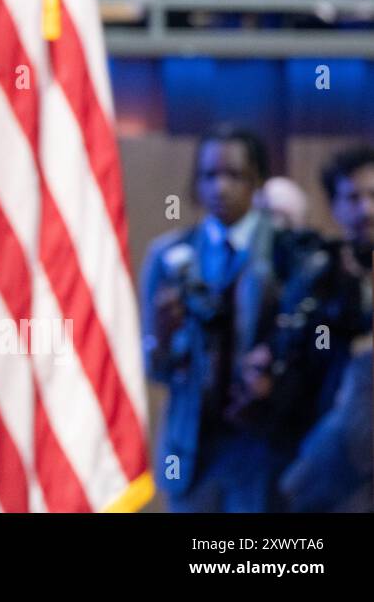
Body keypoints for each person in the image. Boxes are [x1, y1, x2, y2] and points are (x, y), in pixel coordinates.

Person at [141, 125, 325, 511]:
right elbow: (155, 369)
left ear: (257, 180)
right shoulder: (169, 255)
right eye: (209, 175)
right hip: (192, 447)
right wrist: (162, 335)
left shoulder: (289, 250)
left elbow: (316, 359)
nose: (220, 188)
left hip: (267, 446)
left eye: (234, 175)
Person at [279, 146, 374, 512]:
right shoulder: (317, 273)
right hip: (331, 466)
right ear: (335, 208)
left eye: (372, 196)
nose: (365, 210)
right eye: (352, 198)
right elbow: (298, 357)